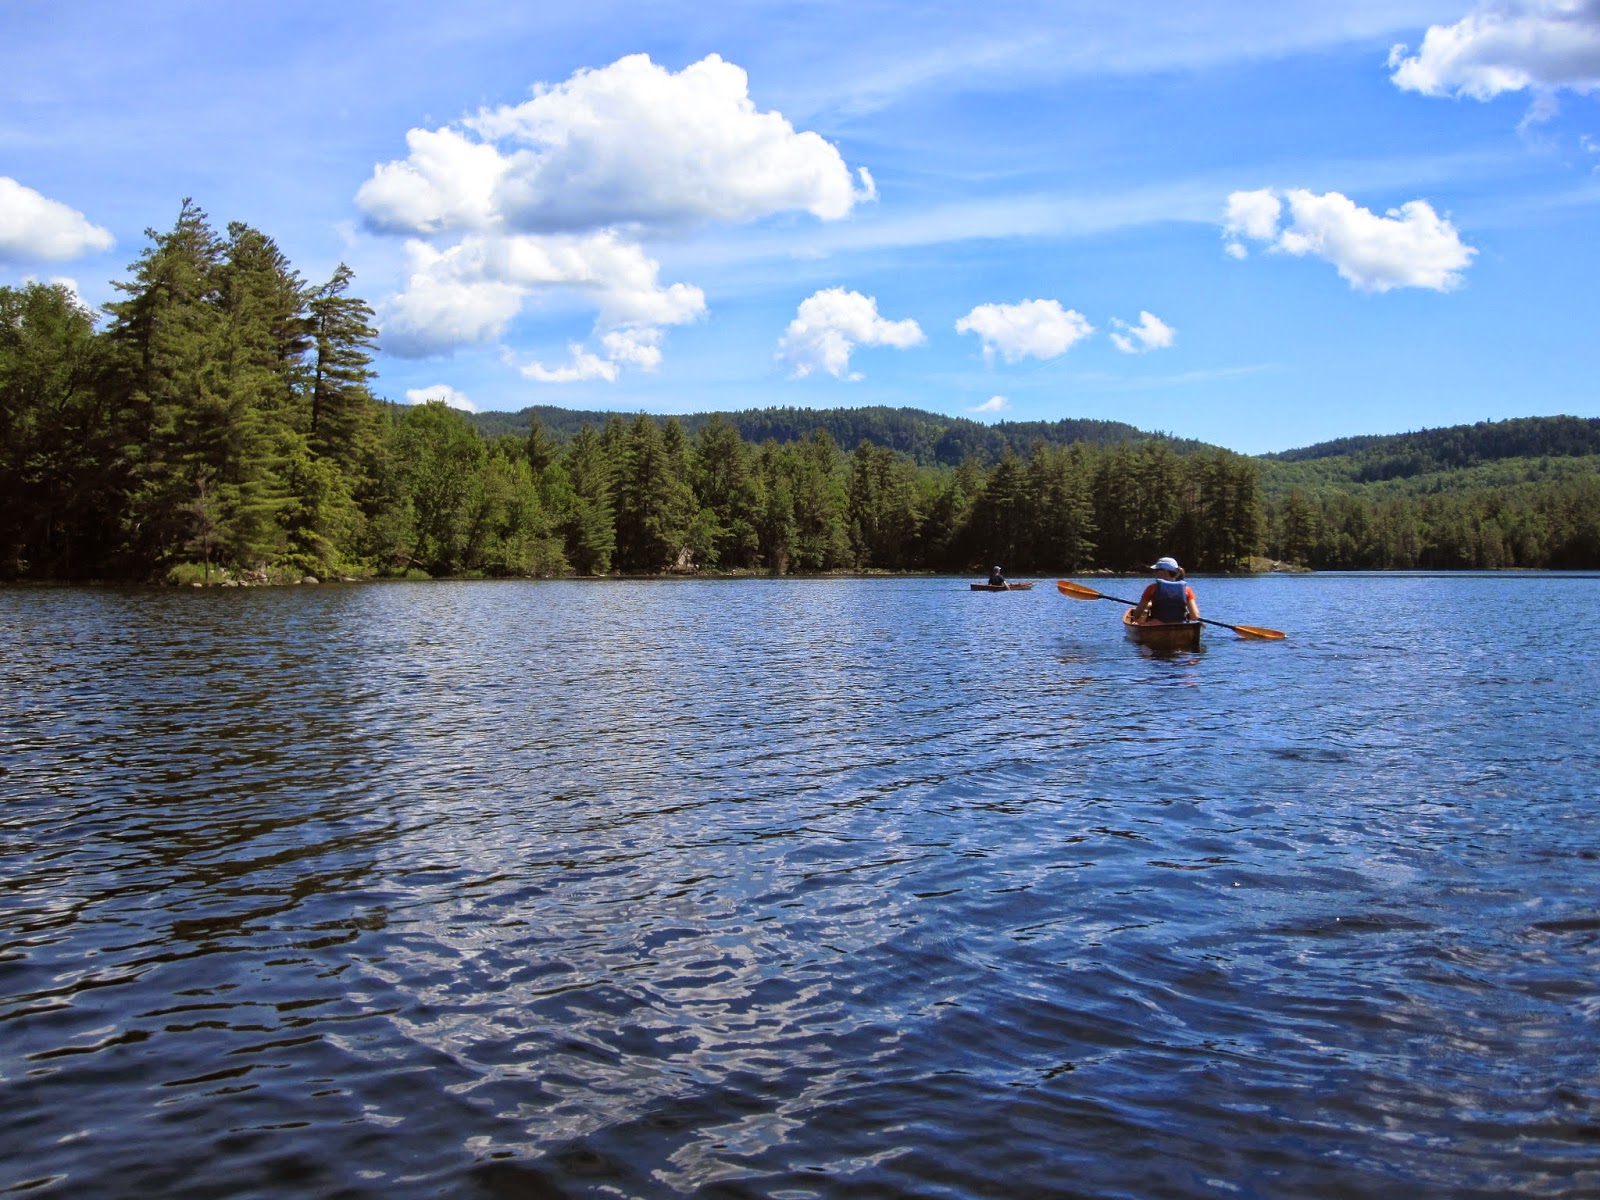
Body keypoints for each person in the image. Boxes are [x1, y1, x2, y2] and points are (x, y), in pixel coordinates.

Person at [1133, 556, 1199, 623]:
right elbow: (1195, 616)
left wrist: (1148, 606)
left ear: (1164, 572)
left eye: (1156, 570)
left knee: (1138, 622)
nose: (1154, 573)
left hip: (1156, 626)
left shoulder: (1152, 588)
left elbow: (1136, 615)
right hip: (1179, 626)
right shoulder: (1187, 590)